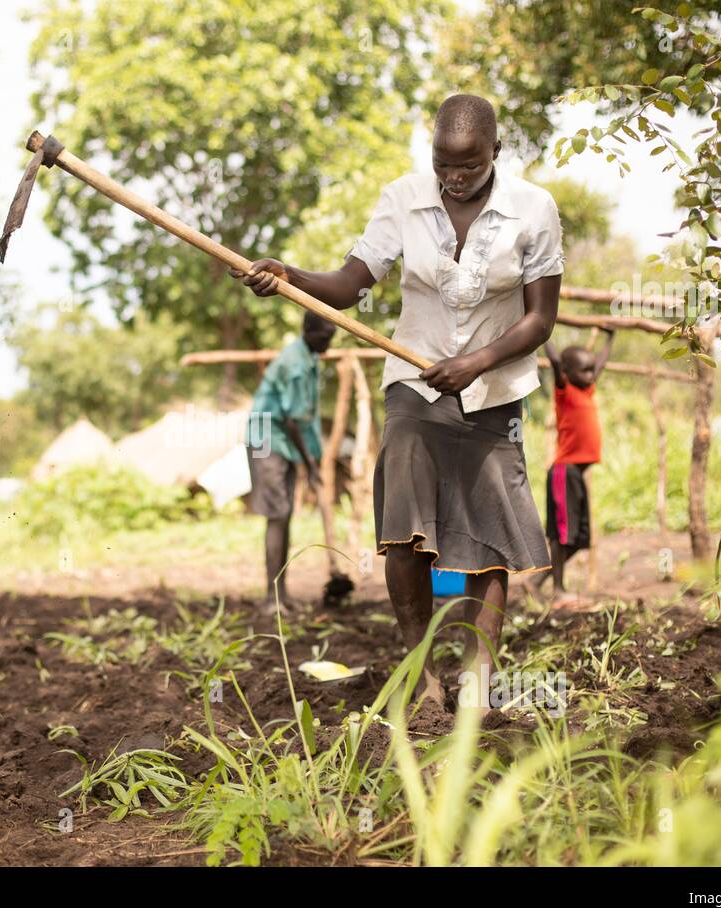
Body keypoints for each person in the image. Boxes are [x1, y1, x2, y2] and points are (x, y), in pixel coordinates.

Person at [229, 93, 564, 709]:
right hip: (416, 385)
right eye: (443, 164)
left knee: (488, 536)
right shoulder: (403, 199)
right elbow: (351, 285)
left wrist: (476, 363)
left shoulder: (534, 209)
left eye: (468, 166)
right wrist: (291, 277)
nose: (453, 178)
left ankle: (478, 680)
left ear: (497, 151)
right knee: (405, 528)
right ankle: (421, 671)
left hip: (495, 394)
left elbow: (541, 320)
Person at [245, 309, 336, 611]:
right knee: (277, 513)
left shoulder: (310, 357)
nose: (329, 345)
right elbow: (295, 421)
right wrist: (309, 464)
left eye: (332, 338)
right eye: (324, 338)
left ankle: (281, 594)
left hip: (280, 437)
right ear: (308, 331)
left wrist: (315, 459)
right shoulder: (296, 364)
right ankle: (273, 599)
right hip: (264, 437)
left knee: (283, 515)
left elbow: (305, 417)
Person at [539, 330, 614, 608]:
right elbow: (556, 362)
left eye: (591, 370)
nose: (591, 375)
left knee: (579, 537)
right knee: (561, 534)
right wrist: (543, 328)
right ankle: (558, 589)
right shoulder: (565, 391)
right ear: (568, 372)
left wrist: (610, 339)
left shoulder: (587, 389)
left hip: (577, 474)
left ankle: (538, 582)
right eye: (584, 370)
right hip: (563, 471)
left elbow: (600, 365)